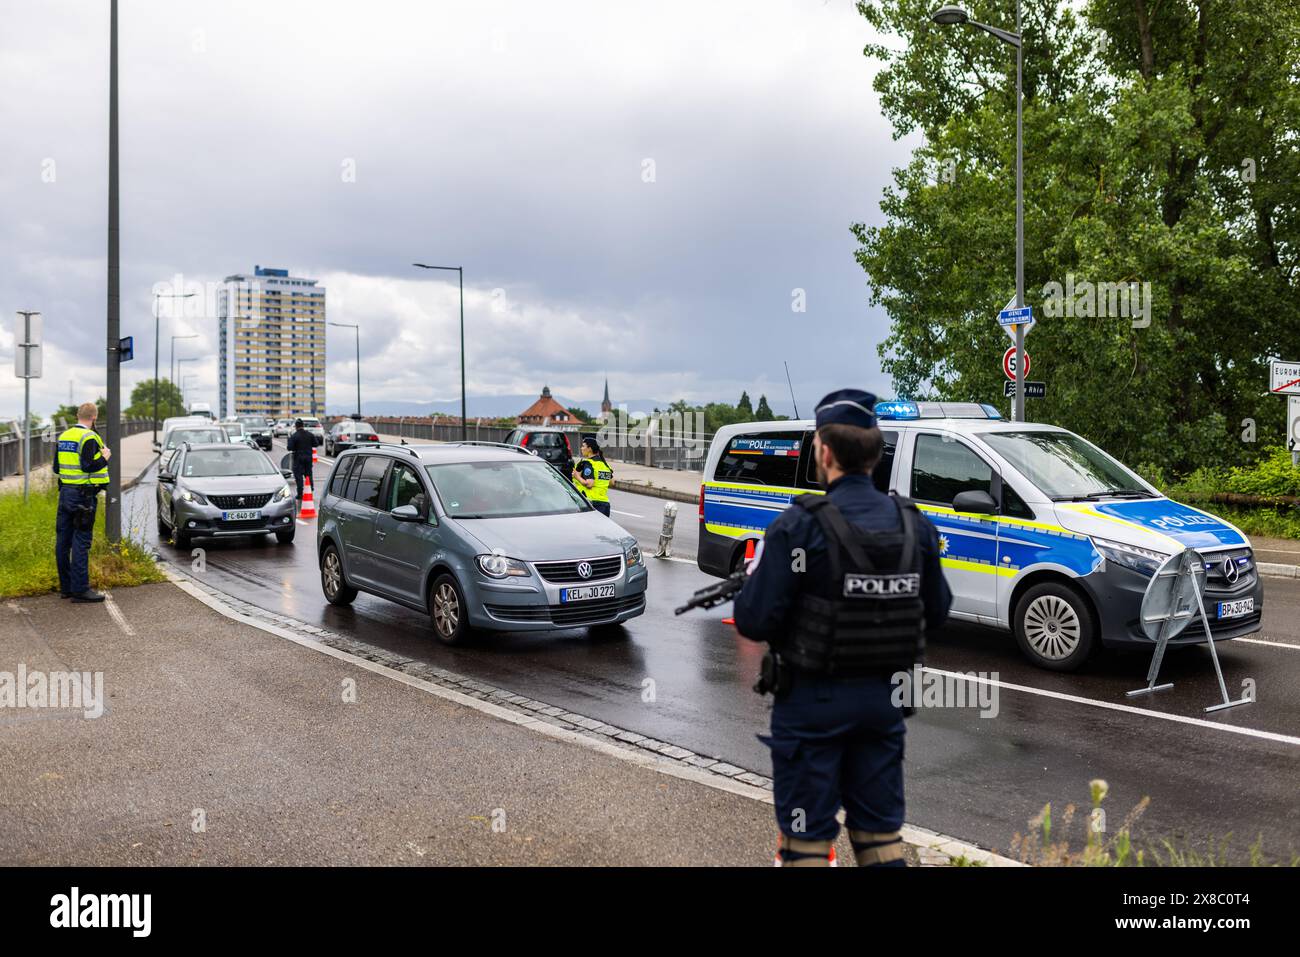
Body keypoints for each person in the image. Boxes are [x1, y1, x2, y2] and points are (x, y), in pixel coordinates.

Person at [733, 389, 951, 867]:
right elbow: (937, 612)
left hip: (812, 708)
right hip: (884, 708)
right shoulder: (915, 525)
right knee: (879, 840)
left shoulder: (798, 526)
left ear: (825, 452)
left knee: (807, 842)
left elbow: (753, 619)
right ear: (874, 456)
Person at [52, 402, 112, 603]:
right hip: (83, 497)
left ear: (78, 415)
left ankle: (66, 588)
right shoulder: (89, 437)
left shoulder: (64, 436)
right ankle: (80, 590)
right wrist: (105, 458)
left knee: (63, 540)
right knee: (81, 542)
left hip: (66, 494)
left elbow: (56, 467)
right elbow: (88, 466)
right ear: (94, 417)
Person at [571, 436, 613, 516]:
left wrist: (577, 476)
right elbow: (611, 482)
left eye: (583, 446)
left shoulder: (588, 464)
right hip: (605, 504)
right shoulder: (605, 465)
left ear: (589, 449)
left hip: (591, 503)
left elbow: (589, 484)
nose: (581, 448)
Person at [286, 418, 315, 500]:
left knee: (298, 476)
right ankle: (310, 489)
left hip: (298, 458)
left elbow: (289, 448)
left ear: (296, 426)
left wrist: (290, 441)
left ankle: (300, 494)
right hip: (308, 458)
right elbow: (316, 443)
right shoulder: (310, 434)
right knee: (308, 474)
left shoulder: (294, 436)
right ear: (303, 426)